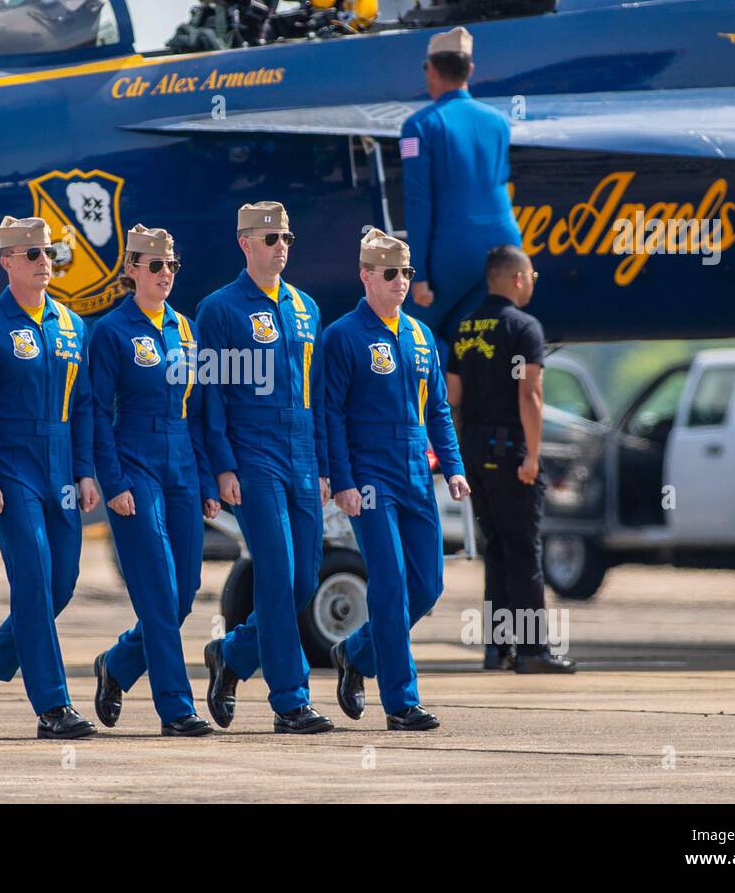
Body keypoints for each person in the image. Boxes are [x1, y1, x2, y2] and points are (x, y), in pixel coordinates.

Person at [0, 216, 102, 739]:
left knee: (60, 584)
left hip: (60, 465)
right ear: (7, 262)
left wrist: (85, 471)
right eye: (33, 255)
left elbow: (83, 404)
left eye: (49, 255)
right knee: (35, 583)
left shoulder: (70, 325)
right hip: (12, 470)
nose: (45, 263)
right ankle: (53, 705)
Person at [323, 229, 471, 729]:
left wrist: (453, 468)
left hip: (414, 472)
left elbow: (439, 413)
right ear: (366, 276)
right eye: (390, 274)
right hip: (369, 477)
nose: (401, 282)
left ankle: (356, 654)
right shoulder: (343, 336)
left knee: (427, 586)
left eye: (406, 273)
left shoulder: (421, 336)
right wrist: (340, 479)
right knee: (388, 582)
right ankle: (401, 702)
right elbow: (332, 415)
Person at [197, 201, 335, 735]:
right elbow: (210, 396)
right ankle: (290, 699)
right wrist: (222, 464)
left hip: (301, 452)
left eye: (287, 238)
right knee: (275, 574)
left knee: (302, 581)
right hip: (252, 453)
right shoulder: (220, 310)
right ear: (245, 244)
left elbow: (316, 393)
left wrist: (322, 463)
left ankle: (231, 655)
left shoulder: (306, 308)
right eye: (271, 238)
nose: (282, 247)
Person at [88, 224, 219, 737]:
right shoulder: (111, 332)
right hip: (135, 458)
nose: (166, 274)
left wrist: (207, 480)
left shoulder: (186, 330)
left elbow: (201, 412)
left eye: (172, 266)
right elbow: (97, 412)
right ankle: (175, 706)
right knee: (159, 591)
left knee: (186, 589)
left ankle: (118, 666)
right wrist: (113, 479)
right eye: (156, 266)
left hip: (182, 460)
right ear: (133, 271)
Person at [445, 244, 576, 673]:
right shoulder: (523, 328)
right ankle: (534, 651)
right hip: (510, 452)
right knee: (523, 551)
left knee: (497, 551)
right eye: (532, 275)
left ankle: (496, 647)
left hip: (475, 451)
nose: (533, 281)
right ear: (517, 278)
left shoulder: (464, 328)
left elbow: (453, 398)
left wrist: (461, 456)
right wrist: (532, 456)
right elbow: (530, 393)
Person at [403, 26, 523, 351]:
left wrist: (419, 275)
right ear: (470, 69)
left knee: (407, 336)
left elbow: (418, 202)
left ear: (431, 70)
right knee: (475, 340)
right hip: (505, 247)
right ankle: (472, 397)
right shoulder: (498, 121)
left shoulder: (418, 127)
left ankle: (444, 398)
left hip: (452, 251)